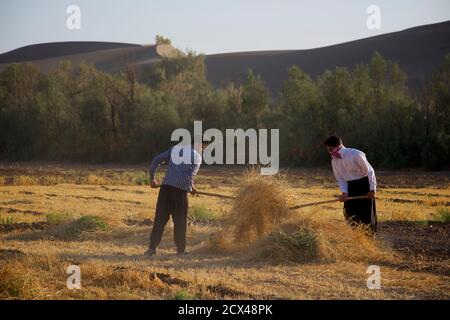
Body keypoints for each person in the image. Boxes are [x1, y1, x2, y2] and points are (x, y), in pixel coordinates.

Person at [144, 140, 203, 256]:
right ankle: (181, 251)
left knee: (160, 219)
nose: (204, 149)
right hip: (180, 192)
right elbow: (190, 177)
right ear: (199, 144)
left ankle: (151, 248)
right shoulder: (196, 157)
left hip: (165, 189)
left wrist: (152, 178)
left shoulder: (174, 149)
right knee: (180, 221)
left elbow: (156, 160)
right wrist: (192, 188)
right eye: (204, 146)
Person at [324, 135, 377, 235]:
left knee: (366, 217)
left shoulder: (355, 154)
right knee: (350, 215)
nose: (329, 152)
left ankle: (369, 241)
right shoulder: (334, 161)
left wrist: (372, 189)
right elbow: (340, 179)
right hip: (350, 187)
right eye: (328, 150)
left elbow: (370, 171)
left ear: (338, 146)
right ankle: (354, 239)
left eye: (330, 149)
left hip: (364, 185)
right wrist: (344, 192)